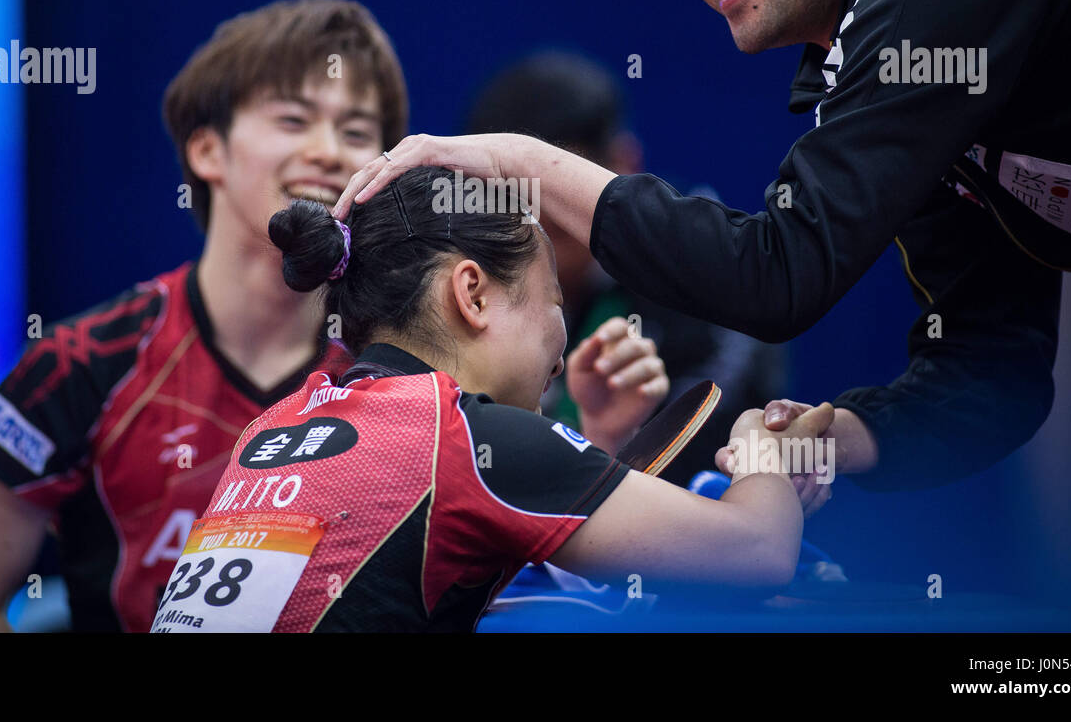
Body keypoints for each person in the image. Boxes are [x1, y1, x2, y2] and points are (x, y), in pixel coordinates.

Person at [334, 0, 1071, 494]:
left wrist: (526, 162)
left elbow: (775, 274)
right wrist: (824, 442)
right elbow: (990, 372)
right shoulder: (890, 57)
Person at [150, 166, 832, 632]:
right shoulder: (469, 439)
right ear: (471, 293)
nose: (560, 346)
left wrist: (595, 435)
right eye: (554, 302)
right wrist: (763, 450)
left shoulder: (273, 427)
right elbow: (760, 548)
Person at [0, 0, 406, 632]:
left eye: (355, 133)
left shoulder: (403, 374)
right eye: (293, 120)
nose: (329, 152)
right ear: (207, 152)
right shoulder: (84, 361)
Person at [464, 49, 785, 482]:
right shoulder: (468, 276)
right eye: (515, 218)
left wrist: (613, 436)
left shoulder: (705, 260)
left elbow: (710, 443)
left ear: (623, 164)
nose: (532, 250)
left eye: (555, 222)